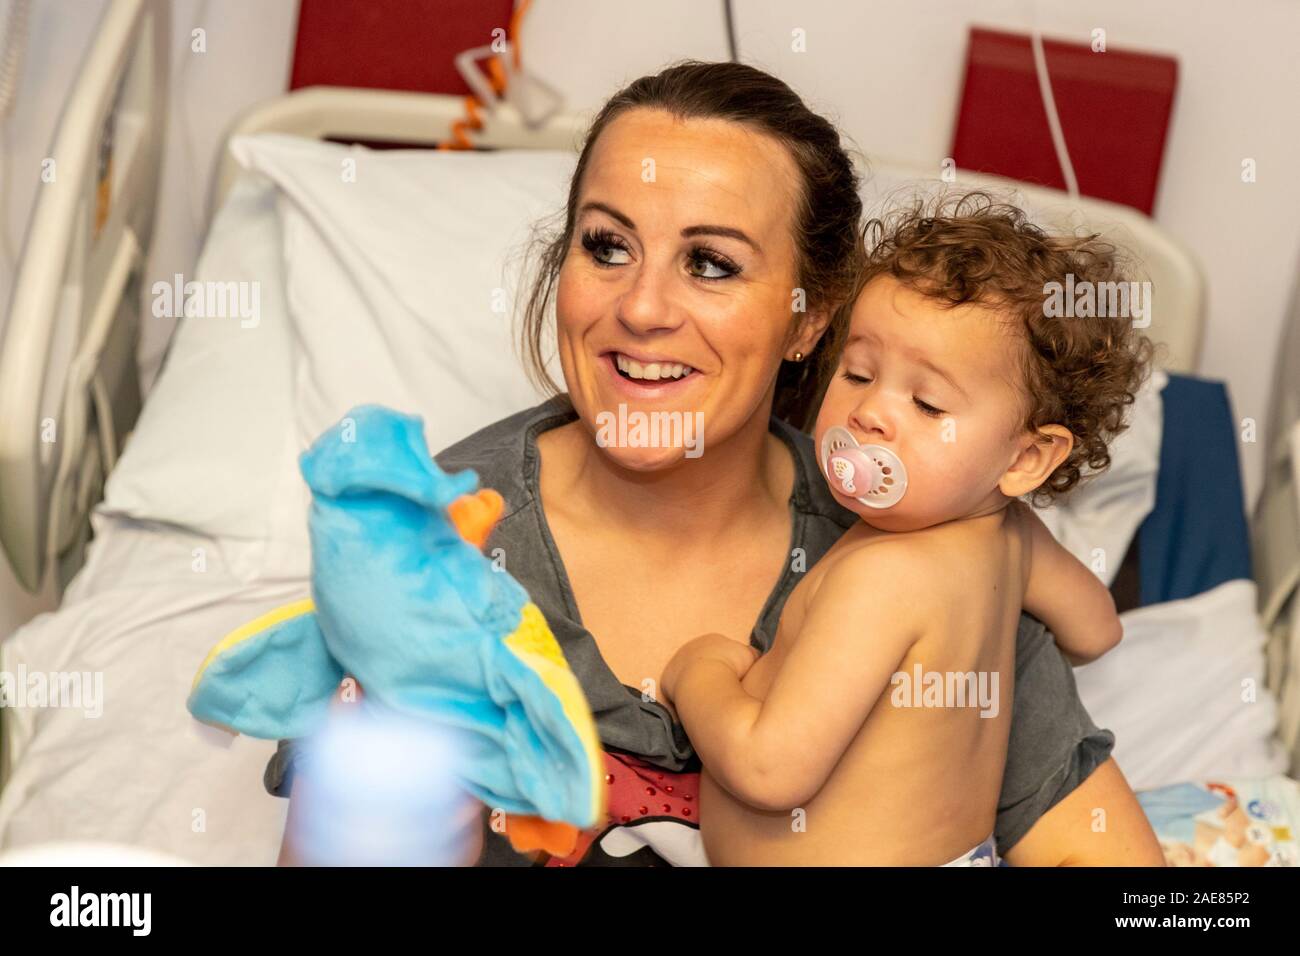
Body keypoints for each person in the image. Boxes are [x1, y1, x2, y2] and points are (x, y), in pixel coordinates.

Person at [270, 60, 1164, 867]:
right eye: (607, 246)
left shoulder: (928, 532)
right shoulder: (439, 547)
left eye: (710, 263)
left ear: (813, 321)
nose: (644, 306)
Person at [661, 195, 1150, 865]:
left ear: (1026, 458)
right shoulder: (1011, 537)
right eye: (858, 373)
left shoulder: (881, 578)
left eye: (926, 403)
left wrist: (699, 673)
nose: (870, 414)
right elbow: (1098, 629)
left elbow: (770, 771)